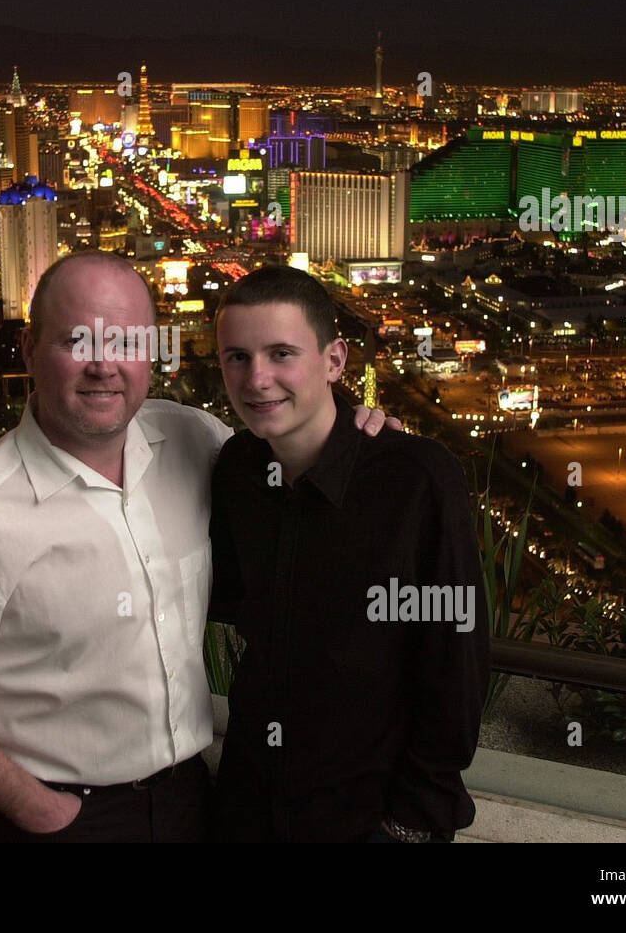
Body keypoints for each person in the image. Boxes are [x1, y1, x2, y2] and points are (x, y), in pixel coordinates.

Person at [0, 251, 401, 843]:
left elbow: (296, 465)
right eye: (78, 339)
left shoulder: (193, 438)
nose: (103, 365)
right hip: (64, 817)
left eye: (125, 341)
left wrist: (361, 434)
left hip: (193, 800)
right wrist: (46, 815)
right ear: (29, 349)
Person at [208, 265, 489, 843]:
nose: (257, 379)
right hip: (246, 804)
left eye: (281, 353)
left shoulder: (416, 478)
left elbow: (454, 664)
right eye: (237, 356)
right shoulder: (236, 468)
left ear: (334, 361)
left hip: (364, 816)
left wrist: (412, 824)